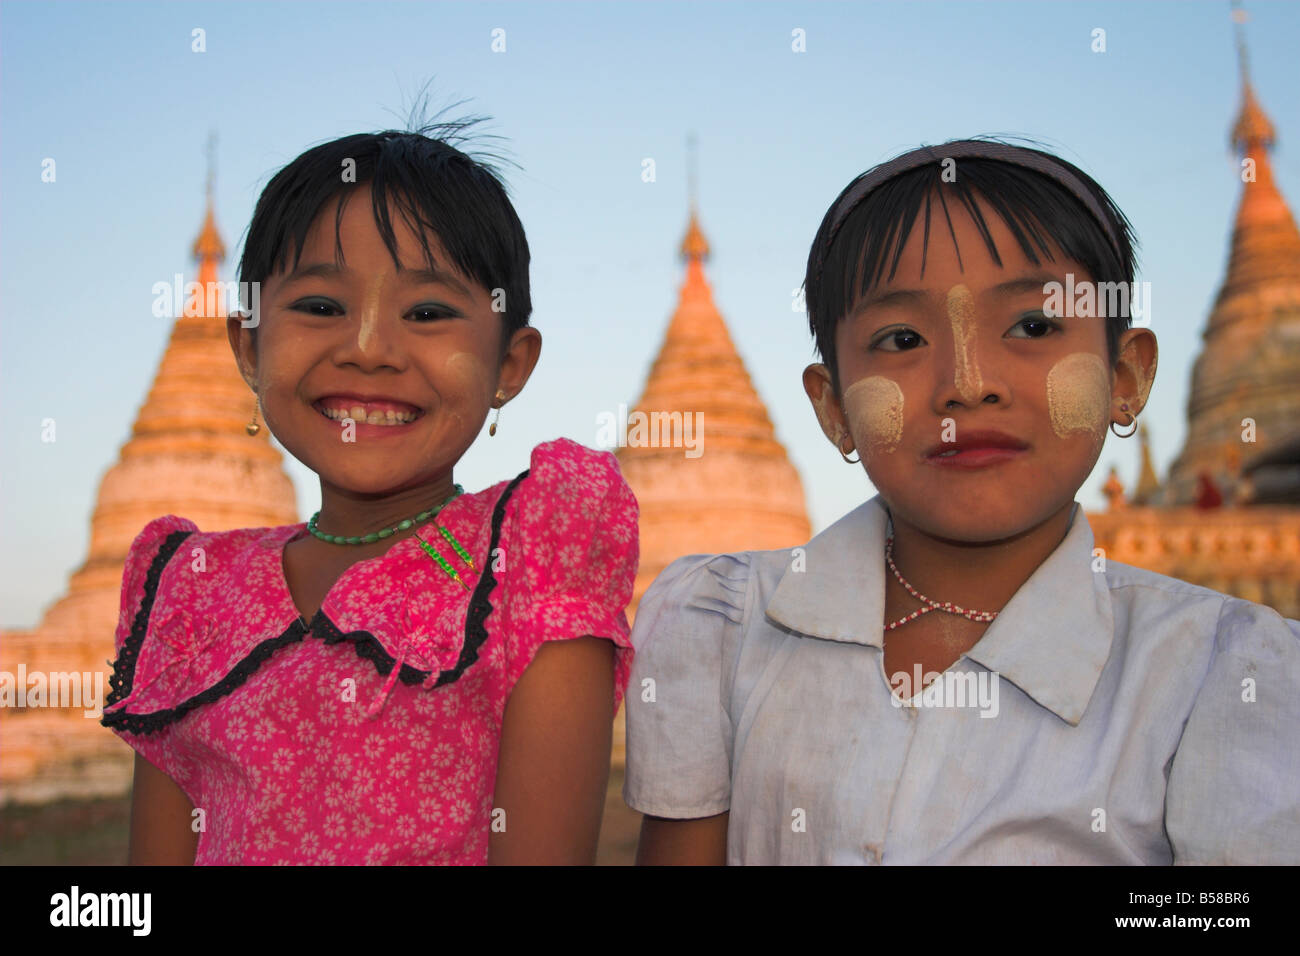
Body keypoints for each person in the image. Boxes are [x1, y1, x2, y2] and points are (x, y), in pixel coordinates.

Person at [623, 138, 1300, 865]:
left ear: (1126, 379)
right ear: (834, 409)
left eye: (1034, 326)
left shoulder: (1222, 671)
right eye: (902, 338)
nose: (969, 384)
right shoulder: (719, 628)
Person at [102, 118, 638, 865]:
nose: (369, 350)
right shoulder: (189, 588)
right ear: (249, 347)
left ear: (510, 365)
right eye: (321, 307)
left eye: (428, 314)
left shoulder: (530, 558)